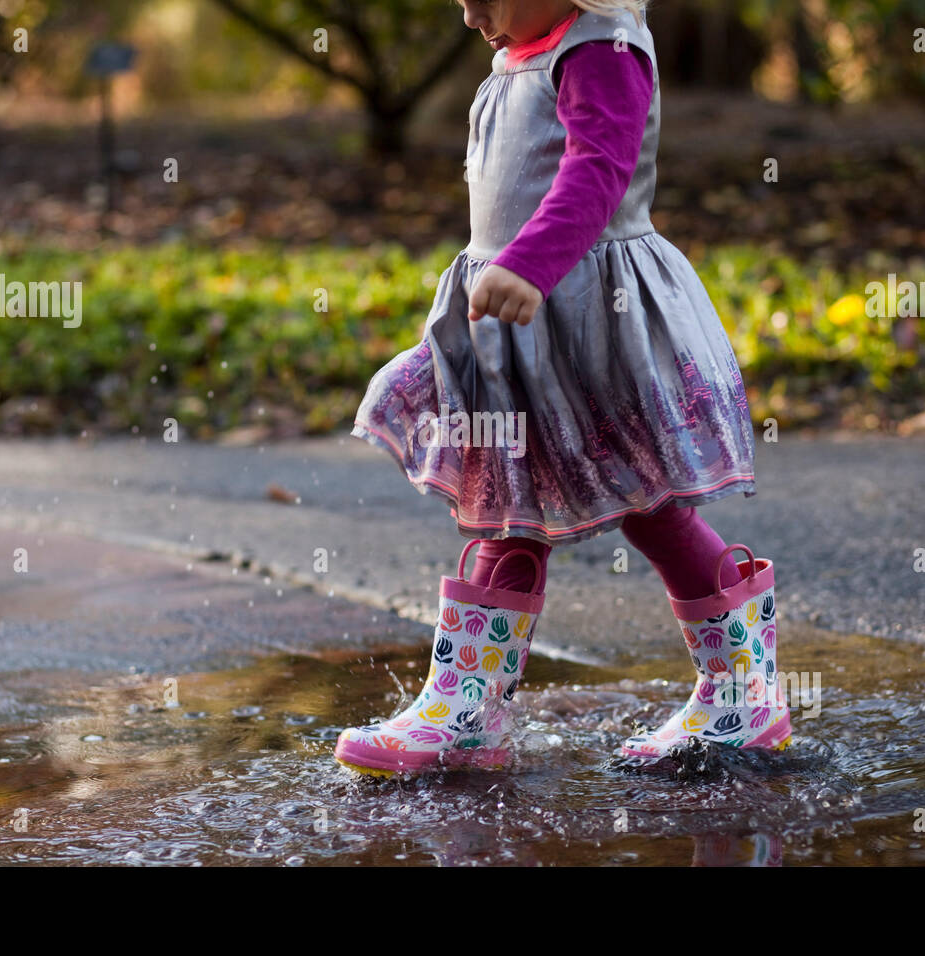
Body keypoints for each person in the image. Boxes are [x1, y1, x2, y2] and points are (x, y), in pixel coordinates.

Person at [335, 0, 791, 778]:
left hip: (592, 322)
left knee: (649, 510)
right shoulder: (520, 51)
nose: (471, 13)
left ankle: (738, 693)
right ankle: (469, 712)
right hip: (517, 328)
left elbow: (598, 169)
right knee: (516, 509)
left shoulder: (601, 49)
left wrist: (530, 264)